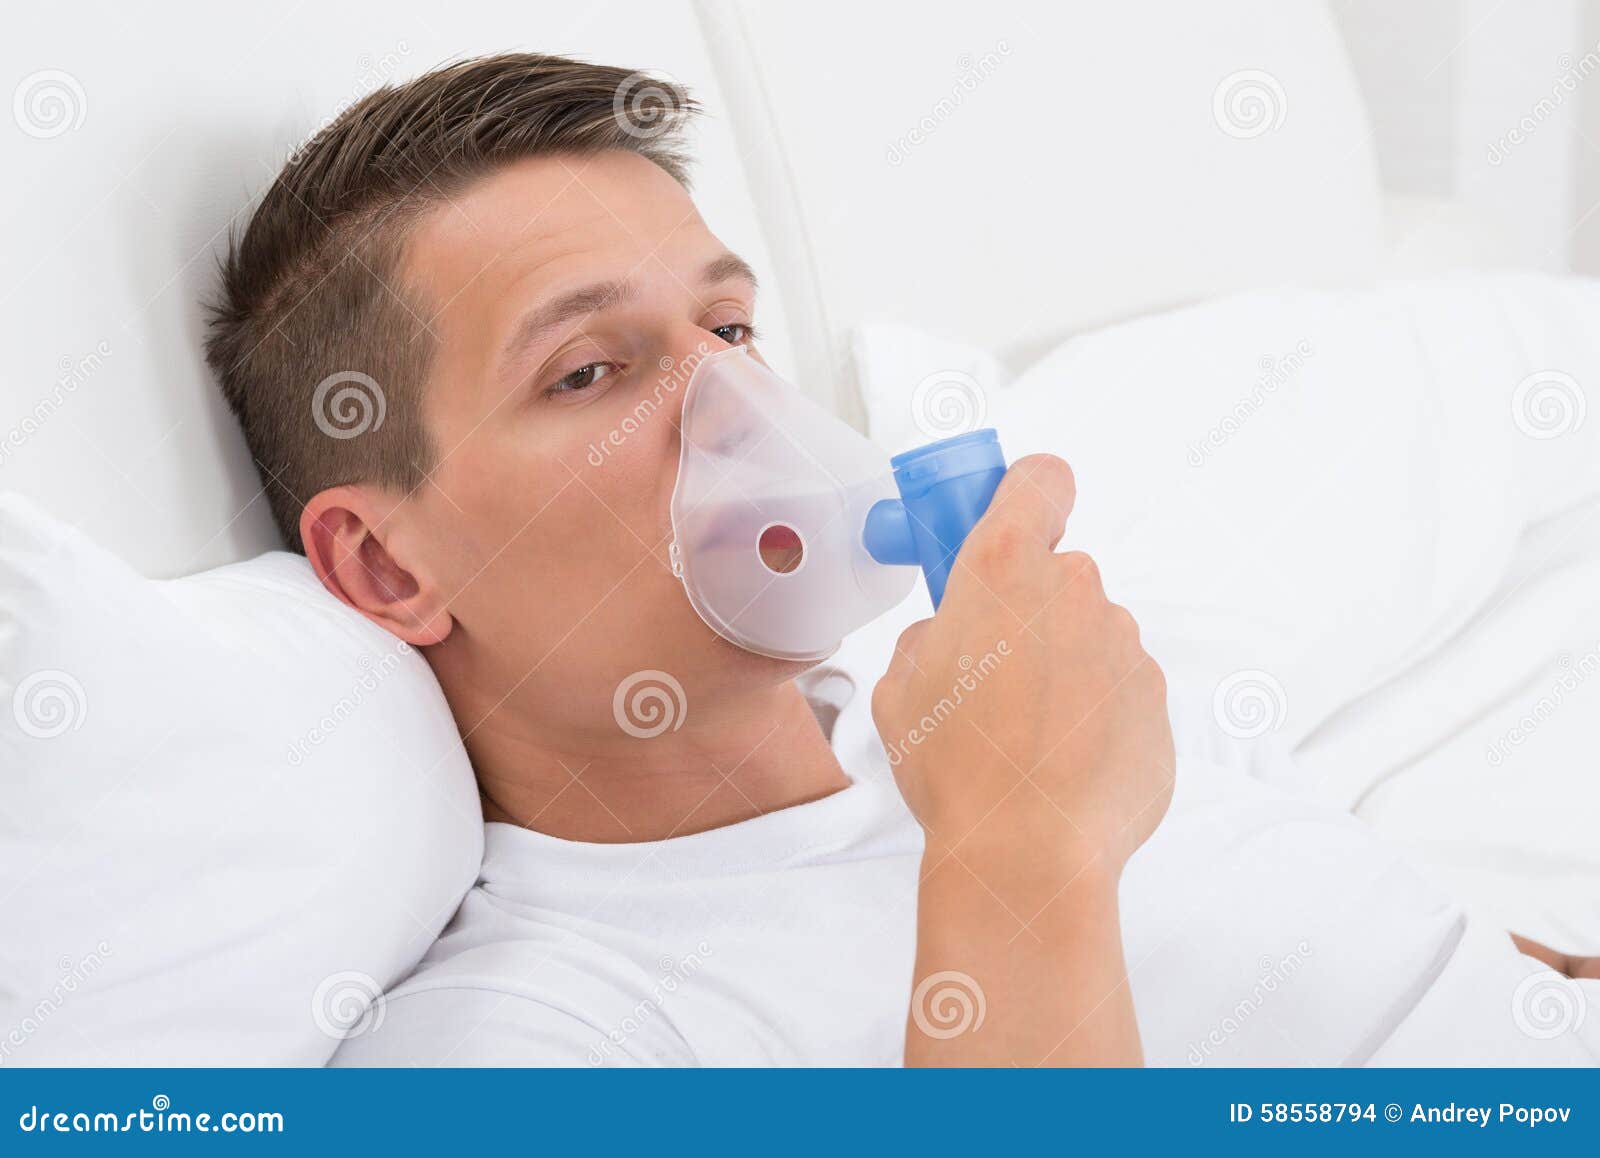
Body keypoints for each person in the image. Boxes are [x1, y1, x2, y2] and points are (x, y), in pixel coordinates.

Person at [202, 53, 1587, 1066]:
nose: (729, 405)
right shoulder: (547, 1036)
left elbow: (1418, 987)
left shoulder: (1032, 697)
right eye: (588, 371)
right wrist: (1017, 844)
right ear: (386, 569)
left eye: (730, 332)